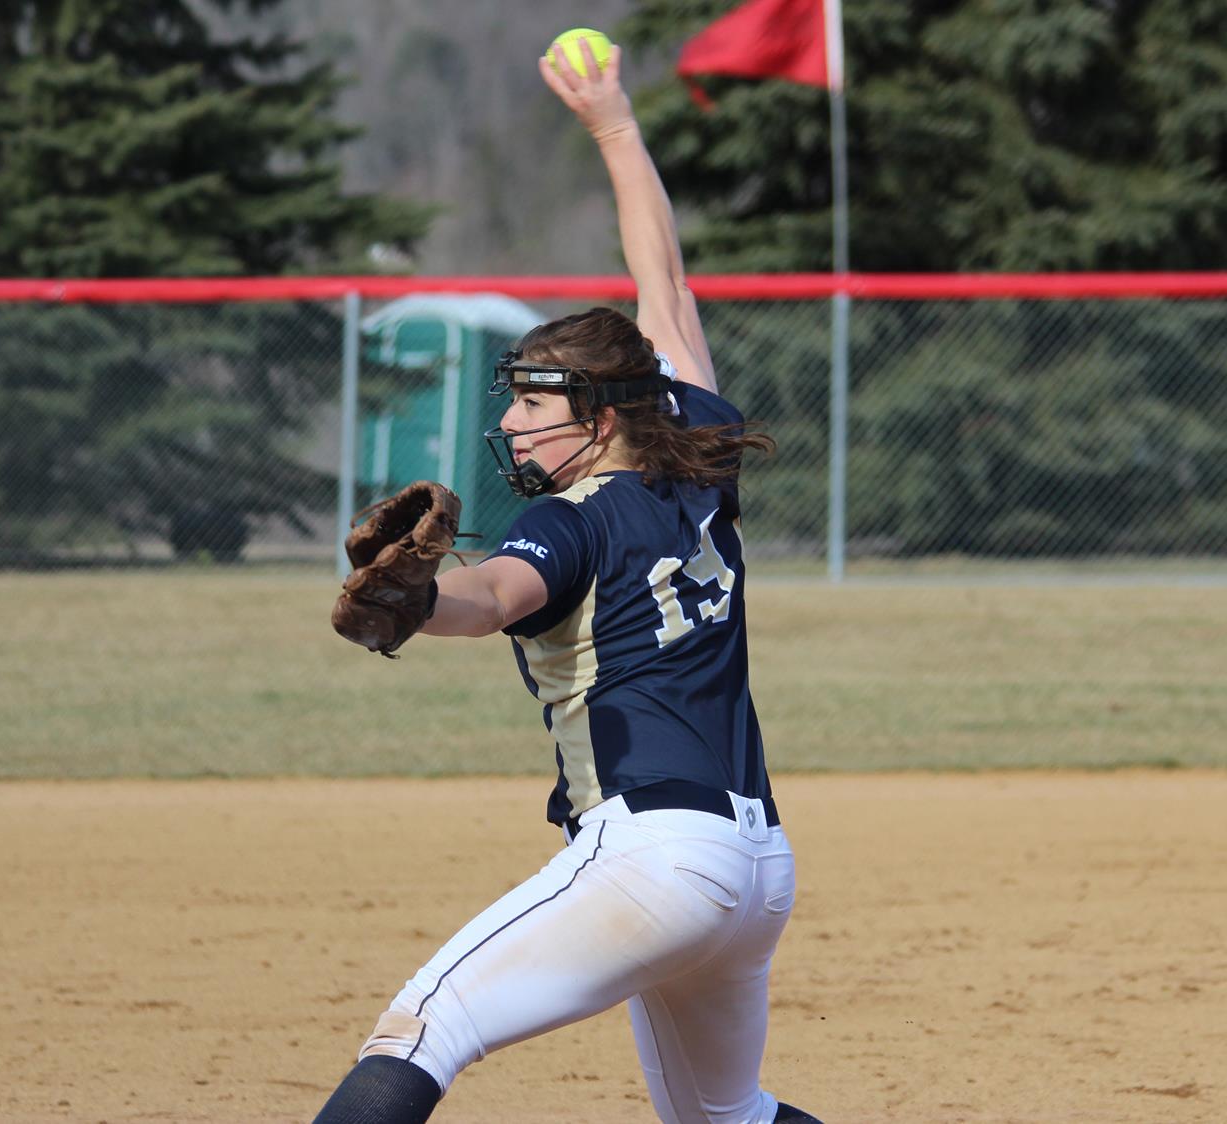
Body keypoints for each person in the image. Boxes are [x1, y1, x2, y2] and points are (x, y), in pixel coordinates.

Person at [310, 37, 820, 1124]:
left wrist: (410, 600)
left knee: (421, 1027)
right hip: (755, 865)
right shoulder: (700, 451)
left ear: (597, 419)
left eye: (530, 406)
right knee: (723, 1117)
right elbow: (664, 284)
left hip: (658, 855)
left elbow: (491, 595)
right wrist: (611, 124)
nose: (506, 422)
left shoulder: (572, 519)